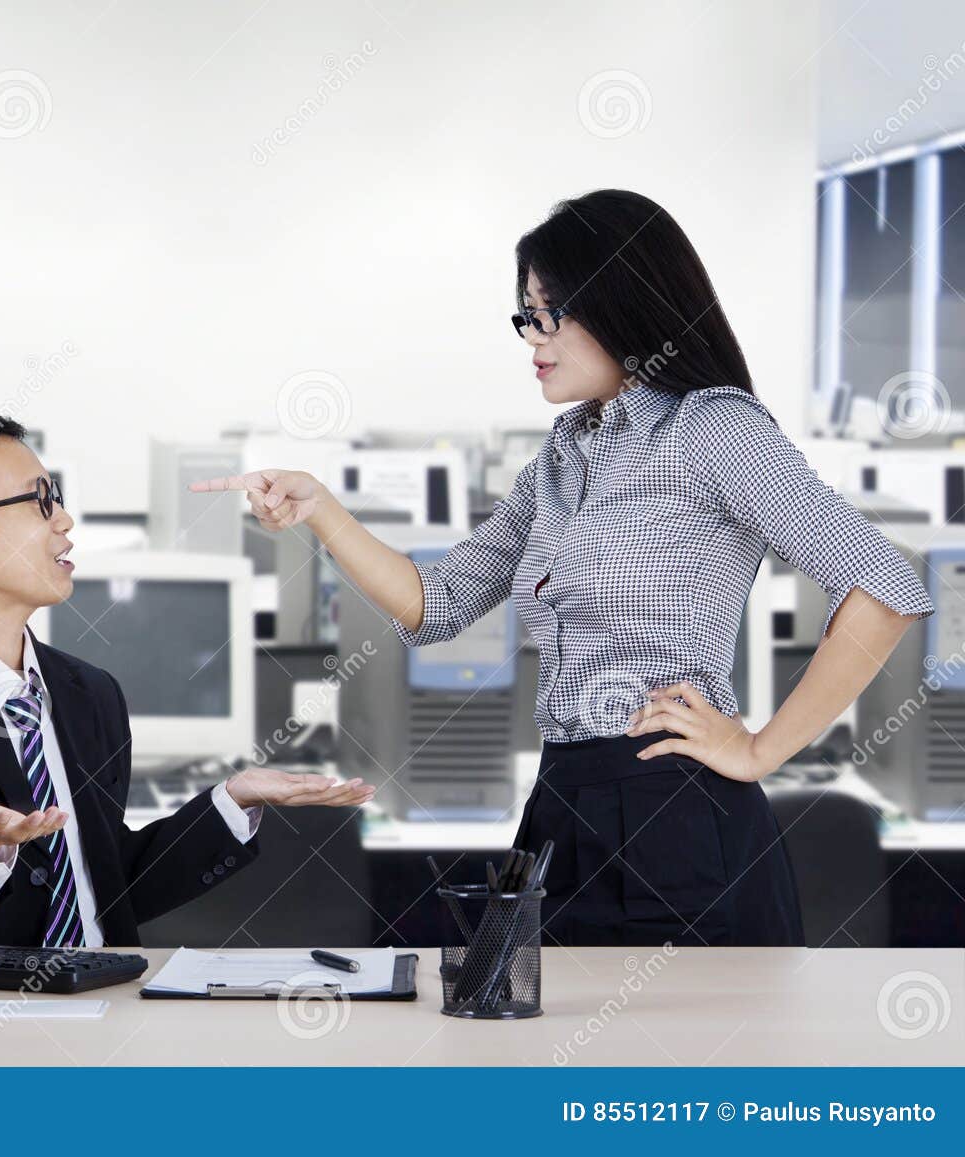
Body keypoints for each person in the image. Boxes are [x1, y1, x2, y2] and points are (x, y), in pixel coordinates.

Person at [193, 189, 935, 947]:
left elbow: (886, 587)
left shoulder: (713, 429)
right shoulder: (562, 452)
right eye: (527, 315)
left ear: (621, 306)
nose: (533, 338)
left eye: (551, 314)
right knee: (550, 1059)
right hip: (561, 802)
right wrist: (320, 508)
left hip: (673, 810)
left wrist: (759, 748)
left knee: (679, 1063)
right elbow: (437, 602)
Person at [0, 415, 374, 947]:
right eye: (40, 501)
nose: (65, 520)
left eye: (59, 497)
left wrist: (231, 801)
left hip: (107, 998)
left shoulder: (89, 695)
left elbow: (112, 888)